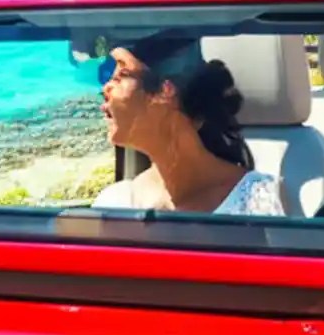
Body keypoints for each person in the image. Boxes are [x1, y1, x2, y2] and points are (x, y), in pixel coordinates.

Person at [90, 36, 284, 216]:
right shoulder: (115, 204)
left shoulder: (262, 202)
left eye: (120, 75)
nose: (105, 88)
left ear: (165, 91)